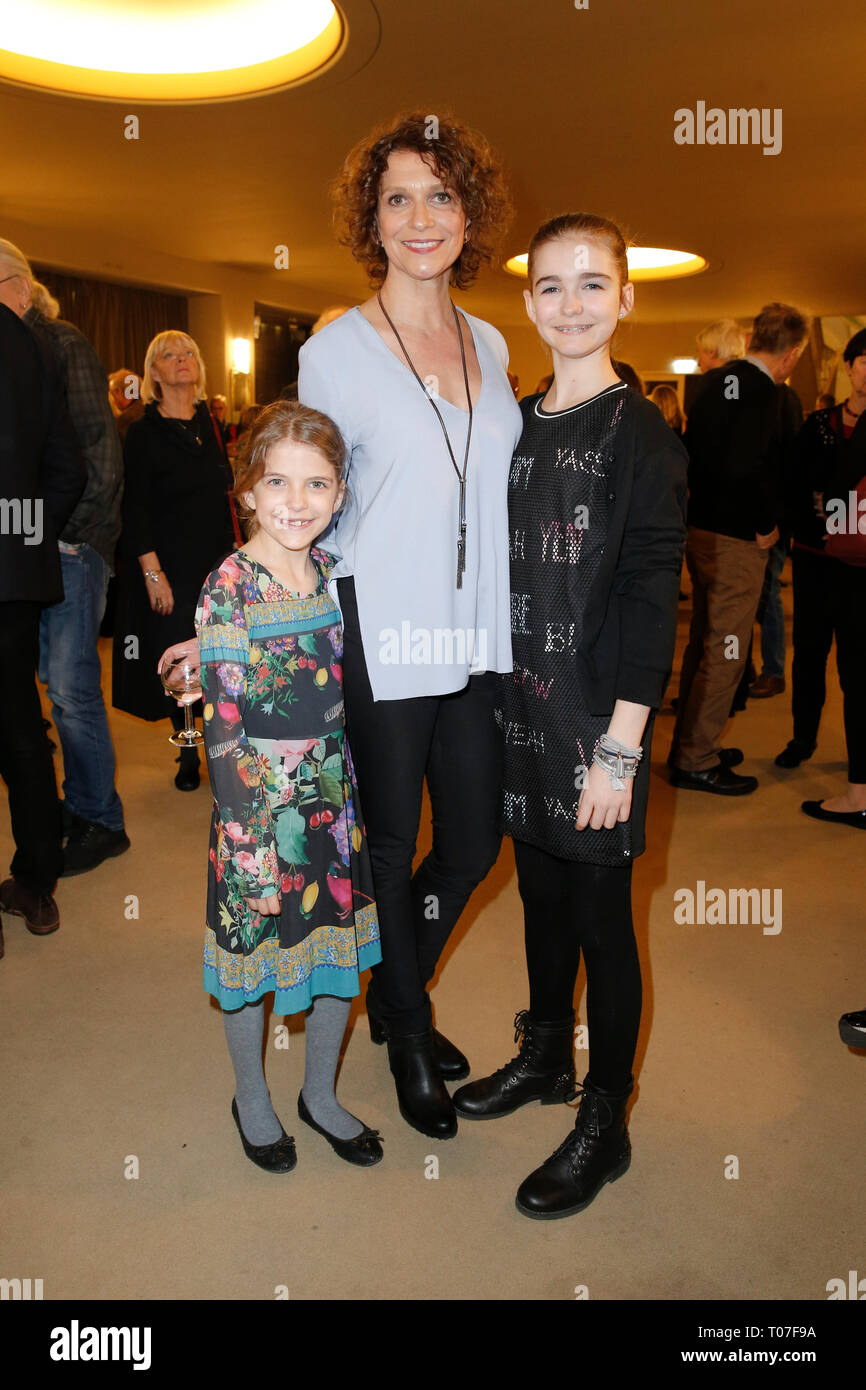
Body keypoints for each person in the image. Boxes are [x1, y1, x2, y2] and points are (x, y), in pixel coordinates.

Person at [159, 112, 521, 1141]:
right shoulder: (334, 350)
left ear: (468, 215)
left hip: (476, 631)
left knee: (471, 841)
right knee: (389, 838)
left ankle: (397, 985)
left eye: (440, 195)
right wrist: (237, 629)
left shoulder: (493, 341)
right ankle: (404, 1027)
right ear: (371, 218)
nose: (420, 217)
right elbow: (307, 505)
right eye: (397, 196)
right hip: (377, 622)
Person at [452, 214, 687, 1219]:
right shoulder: (513, 420)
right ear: (527, 302)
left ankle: (605, 1116)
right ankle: (545, 1055)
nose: (571, 303)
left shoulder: (642, 434)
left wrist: (622, 748)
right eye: (550, 285)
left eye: (592, 284)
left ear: (625, 298)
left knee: (602, 923)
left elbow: (648, 592)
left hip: (599, 728)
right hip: (519, 715)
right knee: (538, 902)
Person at [196, 399, 382, 1170]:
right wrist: (248, 837)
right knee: (251, 970)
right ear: (247, 491)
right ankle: (251, 1094)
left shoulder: (338, 579)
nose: (296, 503)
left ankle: (322, 1093)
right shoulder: (228, 586)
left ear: (340, 495)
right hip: (255, 809)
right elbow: (222, 720)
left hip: (331, 804)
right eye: (278, 482)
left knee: (336, 954)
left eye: (316, 485)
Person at [0, 243, 130, 875]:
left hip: (72, 543)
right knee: (50, 689)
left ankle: (99, 819)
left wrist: (70, 535)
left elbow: (94, 451)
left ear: (21, 290)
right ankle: (70, 808)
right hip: (38, 547)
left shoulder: (59, 342)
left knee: (72, 689)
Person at [668, 303, 810, 795]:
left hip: (701, 531)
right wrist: (767, 523)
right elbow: (749, 466)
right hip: (736, 541)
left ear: (752, 338)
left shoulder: (710, 385)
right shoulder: (764, 392)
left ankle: (689, 742)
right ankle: (696, 757)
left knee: (705, 642)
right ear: (791, 354)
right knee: (728, 651)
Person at [112, 331, 236, 790]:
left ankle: (223, 749)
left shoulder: (211, 423)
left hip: (217, 563)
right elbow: (136, 507)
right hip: (169, 566)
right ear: (154, 374)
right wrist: (151, 572)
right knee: (181, 664)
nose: (182, 360)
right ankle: (188, 753)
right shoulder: (143, 432)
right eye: (170, 355)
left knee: (221, 657)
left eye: (189, 353)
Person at [0, 297, 84, 950]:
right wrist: (22, 537)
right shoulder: (33, 345)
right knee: (21, 727)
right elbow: (67, 470)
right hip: (14, 575)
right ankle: (36, 883)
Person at [776, 328, 866, 783]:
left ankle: (860, 758)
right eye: (864, 360)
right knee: (809, 653)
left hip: (862, 568)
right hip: (814, 556)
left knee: (857, 663)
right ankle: (802, 738)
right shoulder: (818, 425)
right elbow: (794, 483)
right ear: (849, 367)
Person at [109, 368, 145, 444]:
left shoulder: (123, 422)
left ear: (119, 392)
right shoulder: (151, 410)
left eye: (112, 393)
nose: (111, 399)